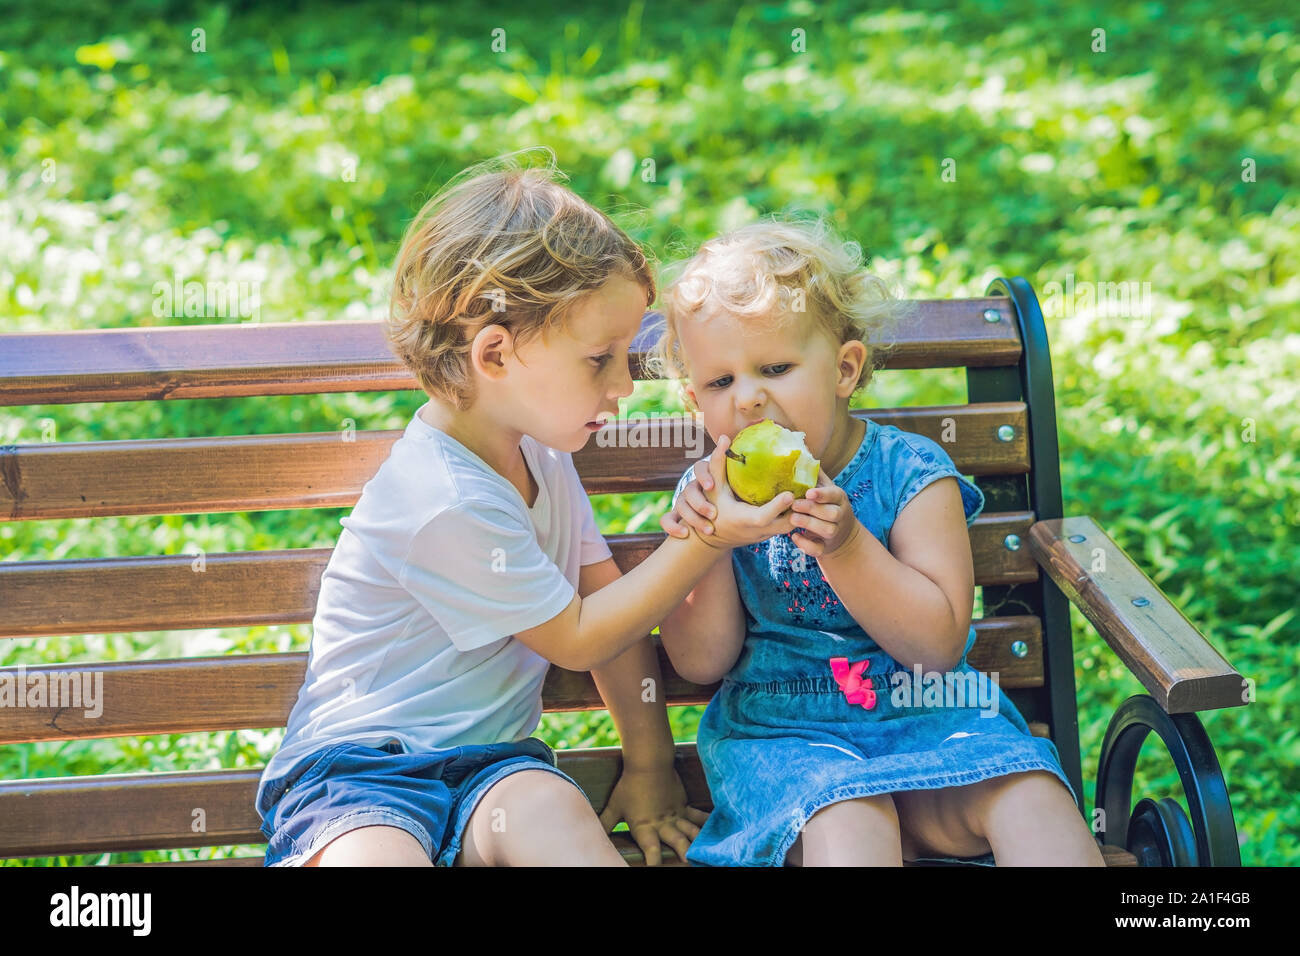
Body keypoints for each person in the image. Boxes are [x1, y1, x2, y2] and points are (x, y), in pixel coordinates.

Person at [255, 149, 792, 866]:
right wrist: (708, 539)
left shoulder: (541, 453)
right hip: (359, 778)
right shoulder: (440, 498)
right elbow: (577, 637)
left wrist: (650, 768)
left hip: (494, 772)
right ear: (496, 355)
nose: (623, 389)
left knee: (554, 817)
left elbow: (609, 608)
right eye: (600, 359)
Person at [650, 217, 1105, 866]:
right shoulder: (711, 494)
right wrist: (707, 542)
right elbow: (701, 661)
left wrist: (848, 549)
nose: (748, 398)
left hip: (932, 723)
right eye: (720, 383)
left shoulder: (910, 475)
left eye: (774, 367)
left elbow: (936, 647)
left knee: (1031, 798)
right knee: (851, 820)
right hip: (790, 741)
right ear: (695, 401)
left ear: (844, 368)